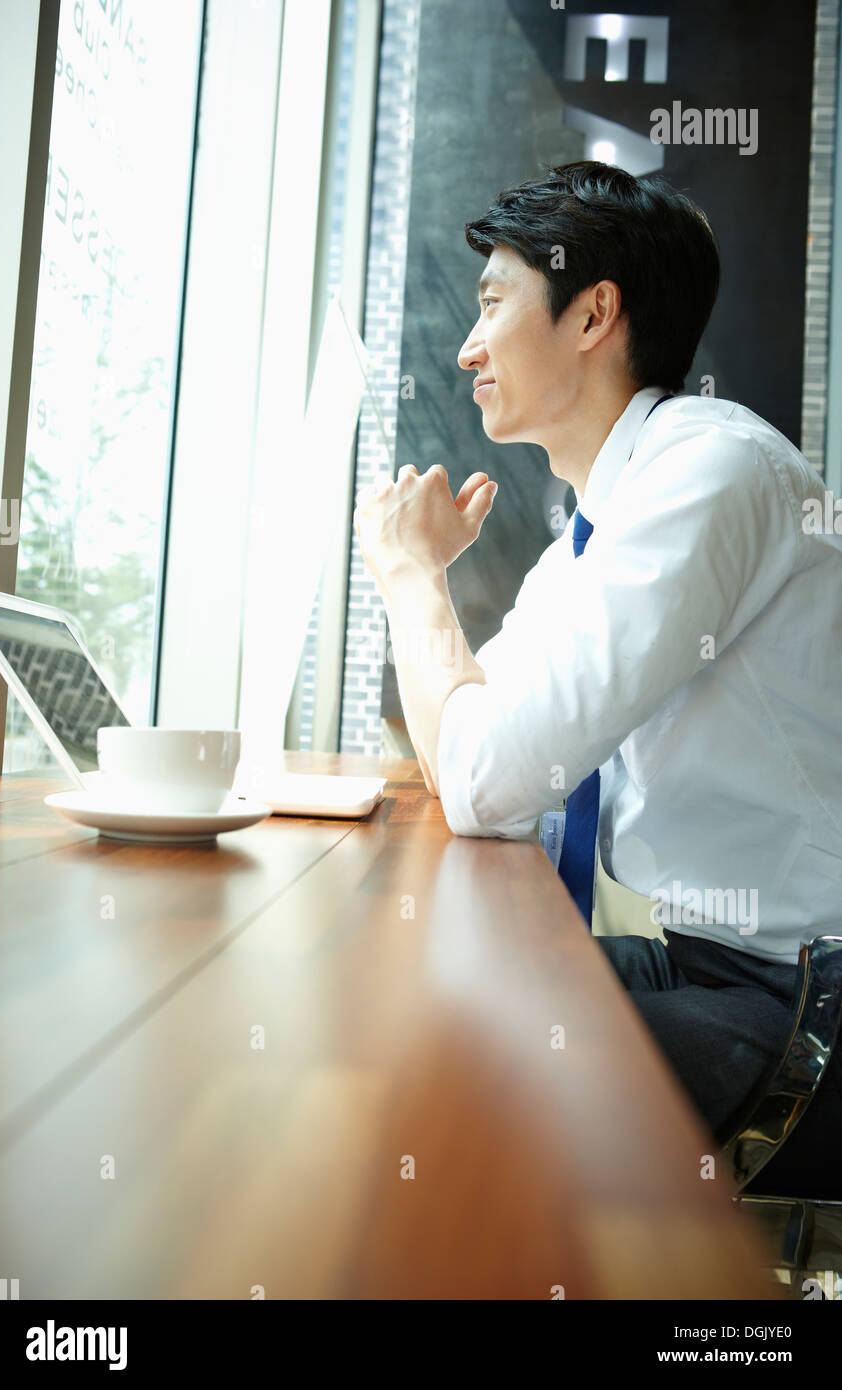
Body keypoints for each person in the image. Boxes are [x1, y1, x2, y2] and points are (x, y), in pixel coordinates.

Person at [353, 160, 842, 1197]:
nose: (464, 347)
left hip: (807, 1003)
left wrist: (410, 577)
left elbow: (480, 776)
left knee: (451, 1076)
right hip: (712, 963)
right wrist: (424, 595)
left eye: (492, 303)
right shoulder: (589, 536)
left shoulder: (710, 474)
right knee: (394, 1002)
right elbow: (468, 749)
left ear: (591, 314)